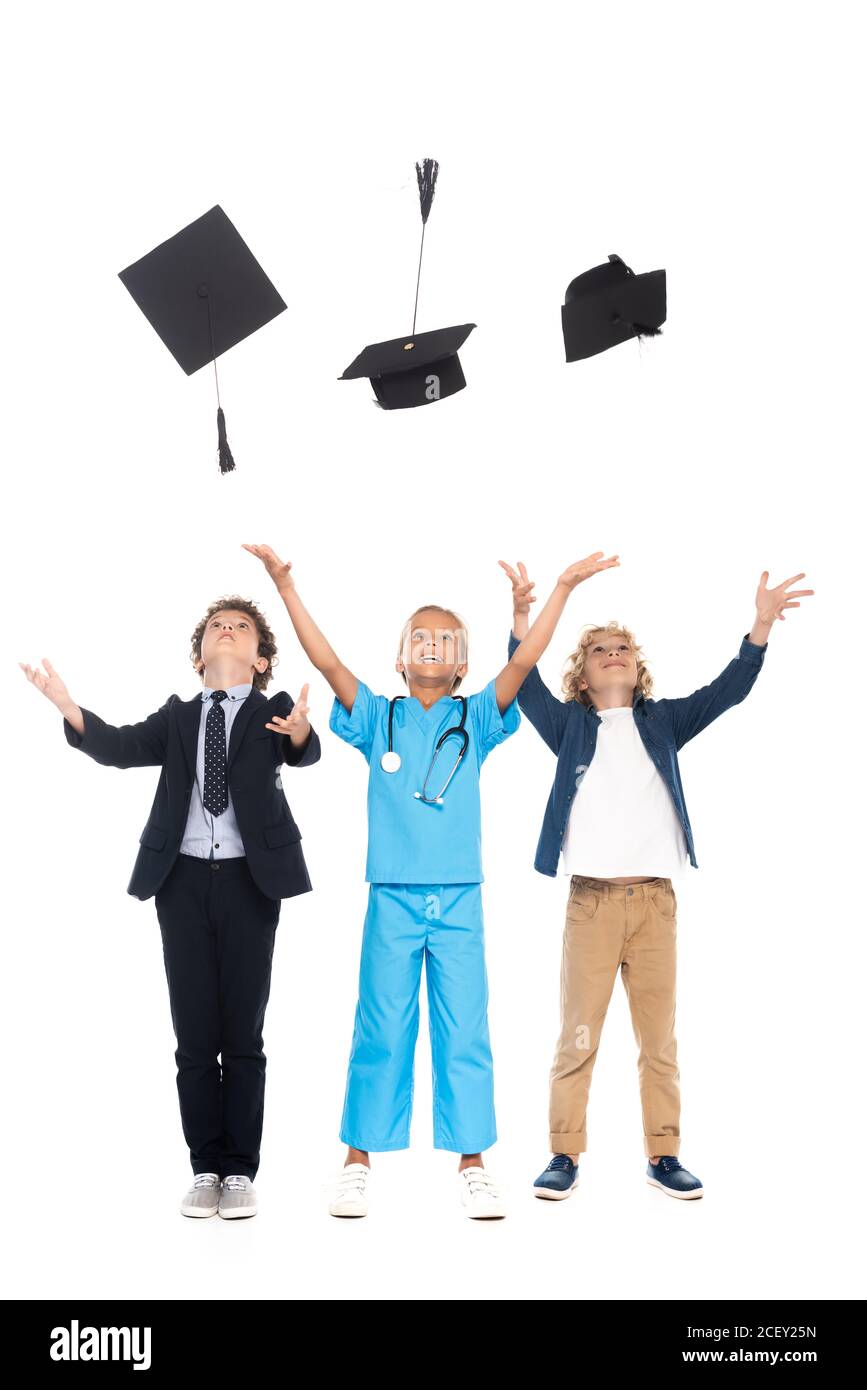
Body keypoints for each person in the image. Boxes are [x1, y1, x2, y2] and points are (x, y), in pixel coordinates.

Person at [242, 542, 603, 1219]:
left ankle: (472, 1162)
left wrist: (555, 593)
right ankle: (356, 1162)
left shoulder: (477, 718)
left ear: (462, 663)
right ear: (401, 658)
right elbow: (325, 661)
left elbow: (523, 662)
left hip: (460, 896)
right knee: (379, 1027)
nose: (432, 646)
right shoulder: (378, 715)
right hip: (392, 897)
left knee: (464, 1028)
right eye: (420, 638)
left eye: (446, 640)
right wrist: (284, 586)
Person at [499, 557, 813, 1200]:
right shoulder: (568, 726)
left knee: (658, 1039)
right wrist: (523, 618)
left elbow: (728, 690)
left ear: (635, 667)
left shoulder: (663, 722)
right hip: (591, 905)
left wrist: (758, 629)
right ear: (581, 675)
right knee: (578, 1034)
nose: (612, 654)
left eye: (622, 648)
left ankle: (663, 1153)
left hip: (655, 905)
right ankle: (565, 1154)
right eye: (599, 650)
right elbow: (521, 682)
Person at [20, 596, 321, 1220]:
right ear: (200, 654)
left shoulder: (273, 711)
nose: (229, 631)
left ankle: (239, 1169)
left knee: (243, 1033)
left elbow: (301, 748)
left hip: (250, 883)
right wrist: (70, 710)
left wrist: (298, 732)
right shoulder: (180, 716)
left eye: (242, 628)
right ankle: (205, 1166)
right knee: (193, 1033)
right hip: (180, 882)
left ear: (259, 658)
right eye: (218, 626)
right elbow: (121, 747)